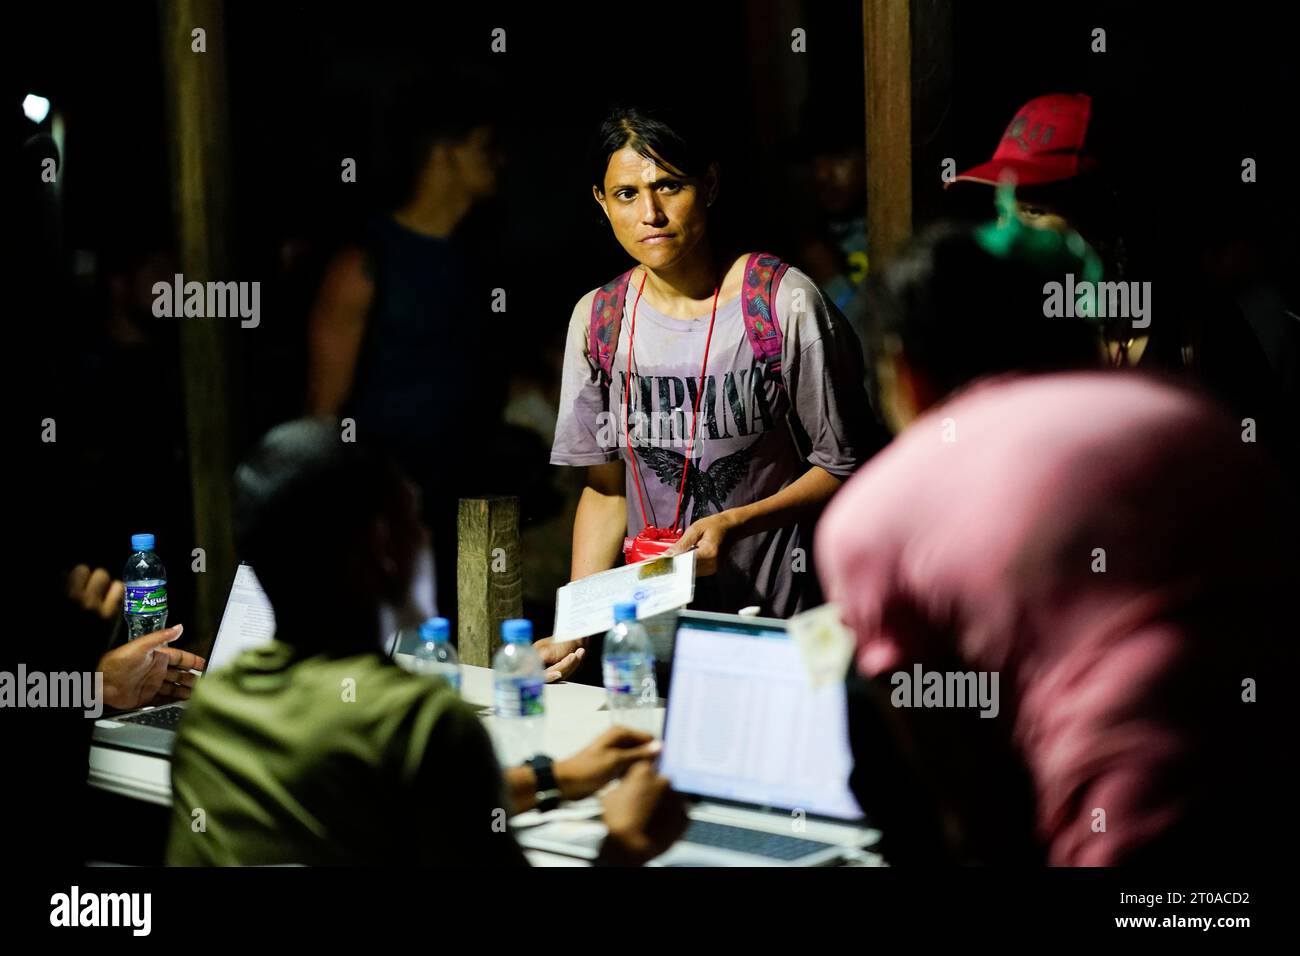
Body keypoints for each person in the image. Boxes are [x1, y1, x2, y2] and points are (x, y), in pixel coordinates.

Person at [166, 419, 685, 866]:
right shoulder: (419, 721)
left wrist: (553, 777)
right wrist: (625, 843)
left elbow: (394, 802)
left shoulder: (215, 708)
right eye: (412, 518)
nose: (425, 537)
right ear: (383, 549)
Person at [550, 105, 885, 621]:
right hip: (650, 626)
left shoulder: (780, 303)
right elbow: (605, 489)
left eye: (669, 186)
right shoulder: (599, 319)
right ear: (602, 200)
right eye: (626, 194)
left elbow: (846, 462)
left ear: (708, 185)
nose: (650, 214)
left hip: (775, 616)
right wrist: (576, 624)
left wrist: (738, 524)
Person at [306, 79, 508, 630]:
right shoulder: (365, 260)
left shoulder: (478, 259)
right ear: (445, 153)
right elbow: (323, 408)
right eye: (485, 145)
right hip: (388, 510)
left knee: (474, 649)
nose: (500, 160)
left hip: (470, 507)